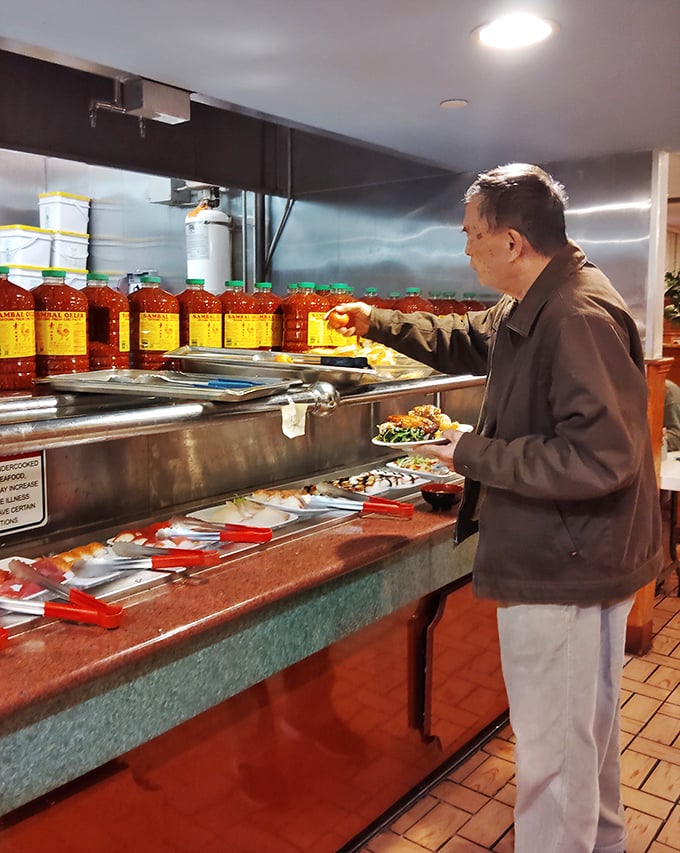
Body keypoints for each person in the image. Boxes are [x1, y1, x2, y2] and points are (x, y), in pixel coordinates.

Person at [328, 163, 663, 853]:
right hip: (574, 553)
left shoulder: (574, 314)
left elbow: (601, 458)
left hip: (564, 562)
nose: (465, 247)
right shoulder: (536, 297)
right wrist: (378, 322)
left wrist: (470, 452)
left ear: (512, 241)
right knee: (580, 745)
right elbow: (472, 337)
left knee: (554, 762)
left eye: (471, 234)